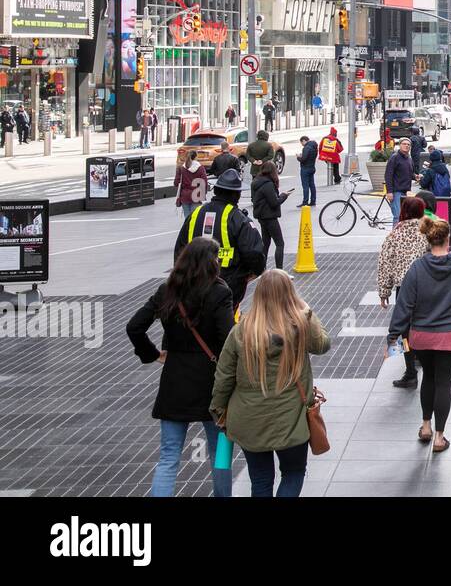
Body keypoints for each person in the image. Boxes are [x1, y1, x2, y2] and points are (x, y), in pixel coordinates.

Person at [127, 237, 235, 498]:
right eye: (217, 257)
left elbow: (134, 326)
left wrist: (152, 354)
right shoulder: (219, 292)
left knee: (168, 456)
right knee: (220, 454)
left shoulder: (168, 290)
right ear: (210, 262)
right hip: (213, 383)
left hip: (175, 379)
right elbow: (229, 338)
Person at [209, 270, 331, 498]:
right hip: (291, 419)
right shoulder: (299, 327)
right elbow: (322, 344)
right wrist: (306, 311)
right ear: (290, 295)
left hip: (249, 419)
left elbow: (224, 375)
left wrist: (218, 409)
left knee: (261, 479)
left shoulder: (241, 332)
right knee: (293, 473)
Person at [388, 215, 451, 450]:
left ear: (429, 239)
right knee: (444, 383)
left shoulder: (417, 267)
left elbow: (404, 304)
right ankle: (439, 437)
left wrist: (395, 335)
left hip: (421, 336)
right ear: (448, 239)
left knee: (429, 379)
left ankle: (425, 426)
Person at [175, 168, 266, 312]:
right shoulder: (239, 219)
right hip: (227, 288)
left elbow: (180, 251)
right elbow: (255, 254)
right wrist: (252, 273)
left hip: (192, 287)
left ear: (216, 190)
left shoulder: (195, 215)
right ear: (237, 194)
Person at [378, 198, 434, 389]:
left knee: (405, 330)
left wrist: (384, 291)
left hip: (404, 289)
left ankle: (410, 370)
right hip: (427, 287)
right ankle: (426, 362)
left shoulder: (395, 234)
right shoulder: (428, 231)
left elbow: (385, 263)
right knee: (425, 324)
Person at [252, 164, 290, 272]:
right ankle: (279, 271)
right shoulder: (268, 184)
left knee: (266, 243)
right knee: (280, 243)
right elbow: (274, 202)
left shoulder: (256, 182)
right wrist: (284, 195)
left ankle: (262, 270)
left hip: (261, 217)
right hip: (270, 217)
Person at [384, 138, 416, 220]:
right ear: (400, 145)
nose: (406, 146)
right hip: (396, 192)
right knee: (398, 216)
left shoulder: (409, 158)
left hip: (405, 192)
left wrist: (415, 176)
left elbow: (410, 173)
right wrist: (389, 192)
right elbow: (388, 175)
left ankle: (400, 233)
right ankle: (395, 233)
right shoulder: (394, 157)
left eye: (408, 145)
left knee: (403, 216)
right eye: (404, 144)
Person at [174, 151, 208, 221]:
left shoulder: (181, 168)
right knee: (195, 219)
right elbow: (204, 183)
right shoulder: (200, 168)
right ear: (196, 157)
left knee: (187, 219)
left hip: (184, 196)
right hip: (196, 196)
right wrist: (204, 194)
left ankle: (187, 231)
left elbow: (176, 183)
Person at [297, 136, 317, 207]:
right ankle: (313, 201)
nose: (302, 144)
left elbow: (303, 159)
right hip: (312, 167)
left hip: (305, 169)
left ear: (304, 141)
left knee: (305, 186)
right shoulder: (314, 146)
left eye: (301, 142)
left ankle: (305, 202)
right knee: (312, 185)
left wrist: (298, 157)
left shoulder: (306, 148)